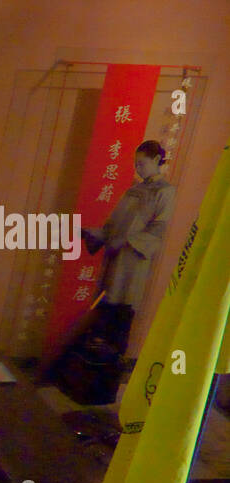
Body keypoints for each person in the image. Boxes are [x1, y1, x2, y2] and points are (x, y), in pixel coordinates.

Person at [81, 139, 177, 353]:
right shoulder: (134, 190)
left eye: (141, 163)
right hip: (115, 258)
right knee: (103, 311)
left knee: (121, 313)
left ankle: (110, 369)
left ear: (156, 160)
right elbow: (112, 223)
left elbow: (158, 229)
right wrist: (94, 233)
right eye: (136, 164)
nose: (138, 168)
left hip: (133, 262)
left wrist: (126, 242)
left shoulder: (165, 191)